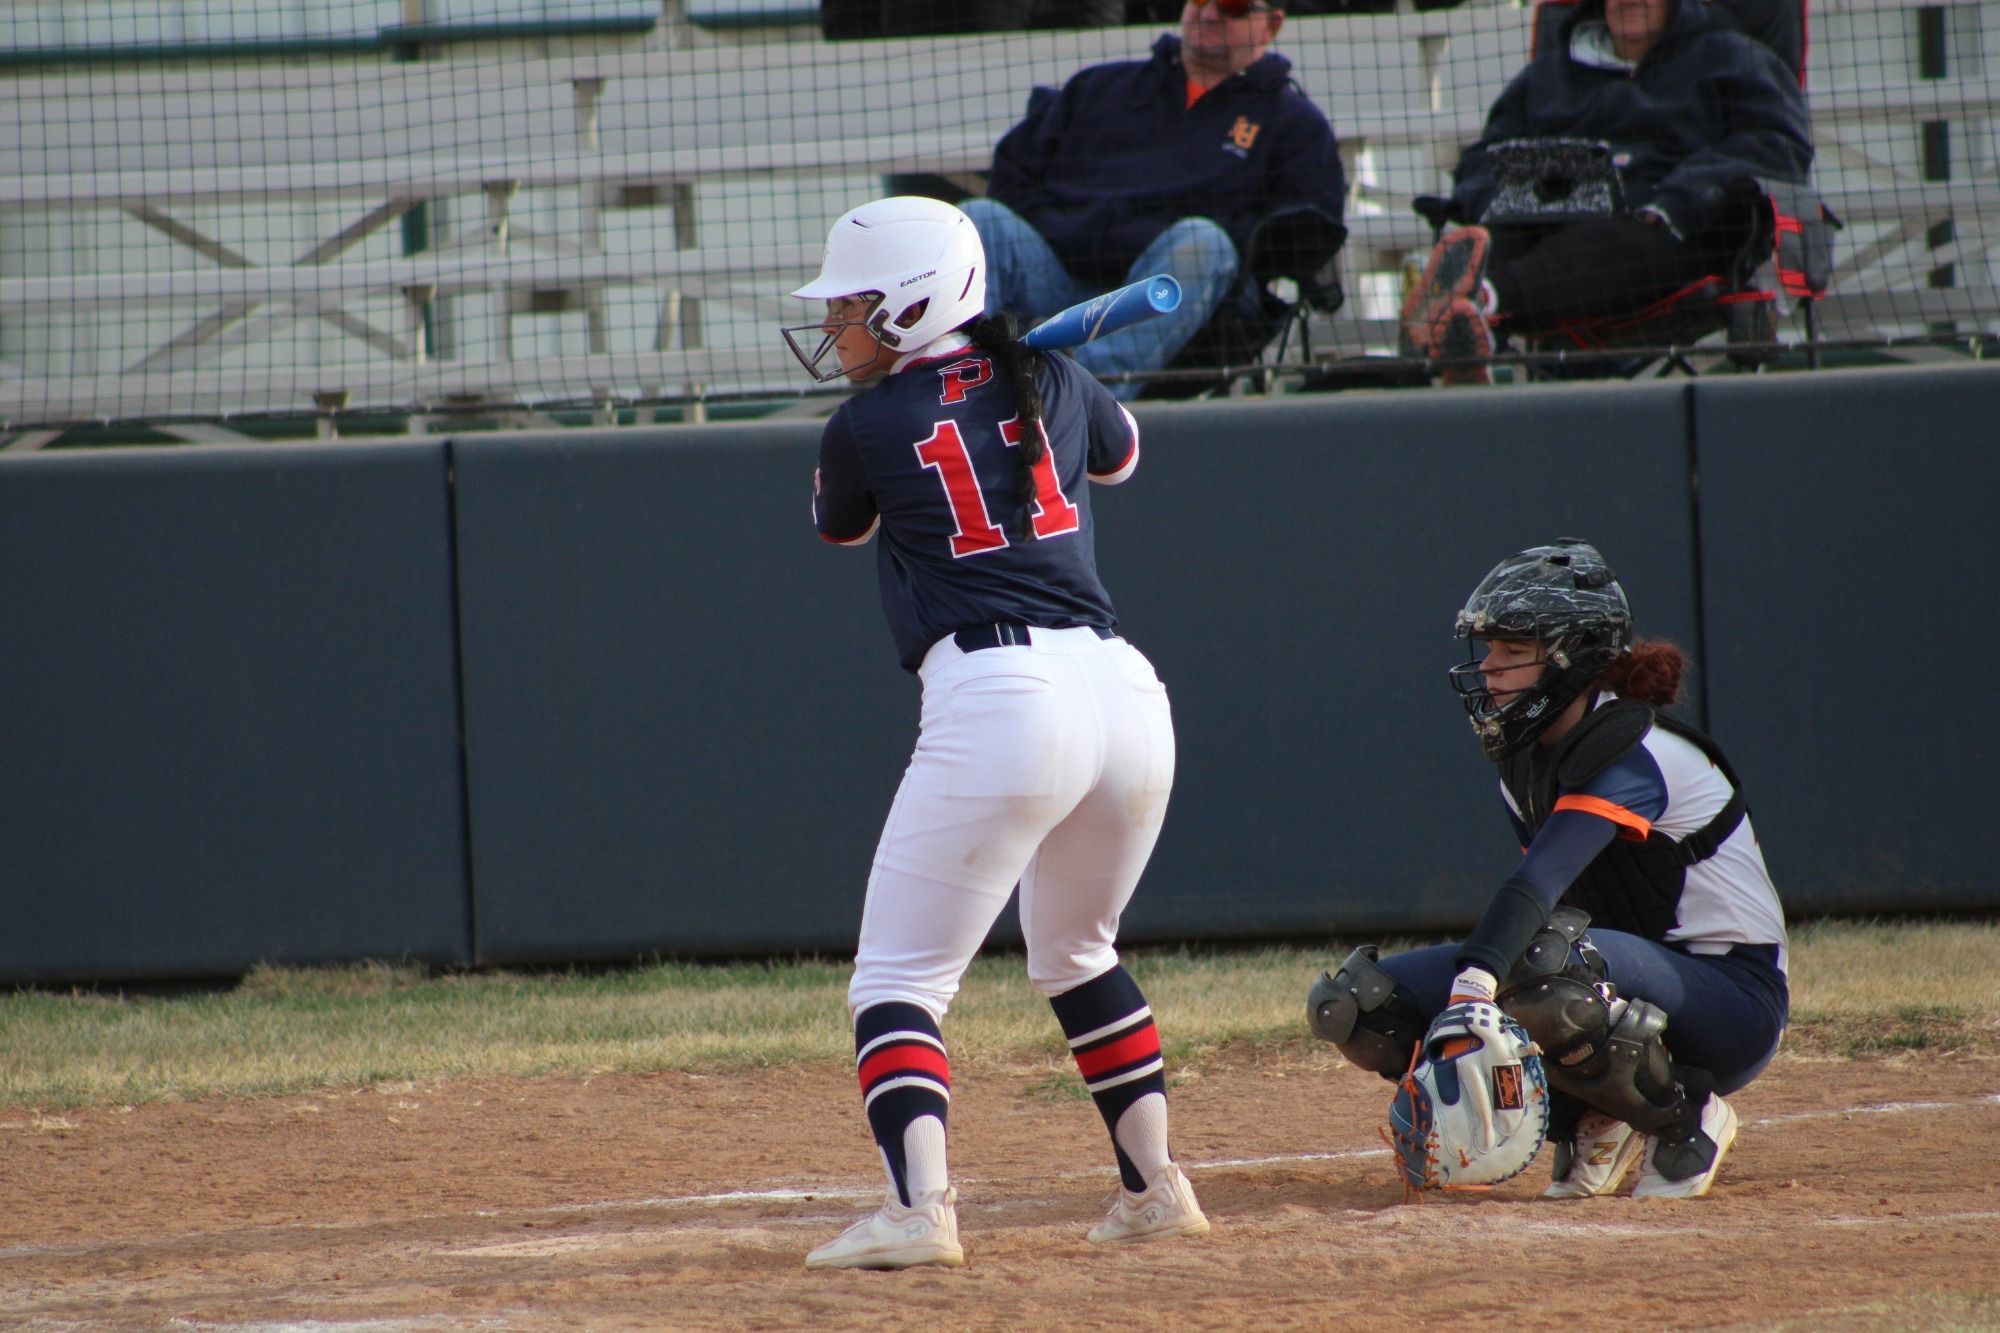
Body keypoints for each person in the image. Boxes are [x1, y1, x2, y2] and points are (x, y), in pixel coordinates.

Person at [782, 196, 1208, 1270]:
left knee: (895, 981)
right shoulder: (1056, 375)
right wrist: (1014, 384)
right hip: (1122, 693)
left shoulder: (864, 426)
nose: (835, 327)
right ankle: (1156, 1186)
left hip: (1002, 696)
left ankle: (916, 1210)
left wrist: (966, 392)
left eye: (852, 308)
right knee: (1076, 952)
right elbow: (1119, 458)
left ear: (914, 305)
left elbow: (841, 524)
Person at [1309, 539, 1788, 1199]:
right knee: (1359, 1005)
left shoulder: (1633, 752)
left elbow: (1540, 884)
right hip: (1620, 969)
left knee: (1535, 966)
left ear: (1573, 657)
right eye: (1489, 649)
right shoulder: (1528, 757)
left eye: (1512, 651)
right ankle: (1596, 1115)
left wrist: (1472, 990)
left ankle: (1684, 1113)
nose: (1490, 667)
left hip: (1732, 998)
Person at [1402, 0, 1813, 384]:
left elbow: (1774, 143)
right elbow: (1485, 157)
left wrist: (1678, 200)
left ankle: (1472, 308)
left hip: (1674, 229)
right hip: (1553, 217)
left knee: (1605, 241)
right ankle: (1464, 313)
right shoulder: (1549, 74)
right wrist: (1494, 202)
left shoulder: (1735, 57)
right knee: (1501, 237)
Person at [962, 0, 1345, 398]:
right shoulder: (1100, 87)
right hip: (1063, 274)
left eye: (1233, 7)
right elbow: (1013, 172)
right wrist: (1064, 226)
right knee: (979, 219)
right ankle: (958, 387)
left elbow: (1309, 226)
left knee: (1203, 242)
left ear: (1271, 25)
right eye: (1199, 0)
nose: (1210, 13)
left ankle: (1076, 400)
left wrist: (1194, 231)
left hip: (1174, 296)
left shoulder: (1292, 120)